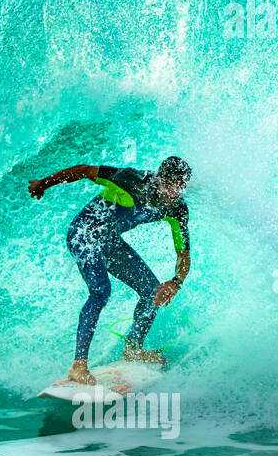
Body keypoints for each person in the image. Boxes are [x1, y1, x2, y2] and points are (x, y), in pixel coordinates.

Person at [28, 156, 192, 385]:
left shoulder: (177, 209)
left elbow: (183, 255)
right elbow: (84, 170)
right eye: (169, 184)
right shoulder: (132, 180)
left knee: (151, 292)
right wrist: (43, 184)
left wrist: (176, 282)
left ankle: (133, 348)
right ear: (159, 178)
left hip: (110, 242)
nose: (172, 192)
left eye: (179, 187)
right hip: (84, 234)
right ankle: (78, 365)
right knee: (101, 291)